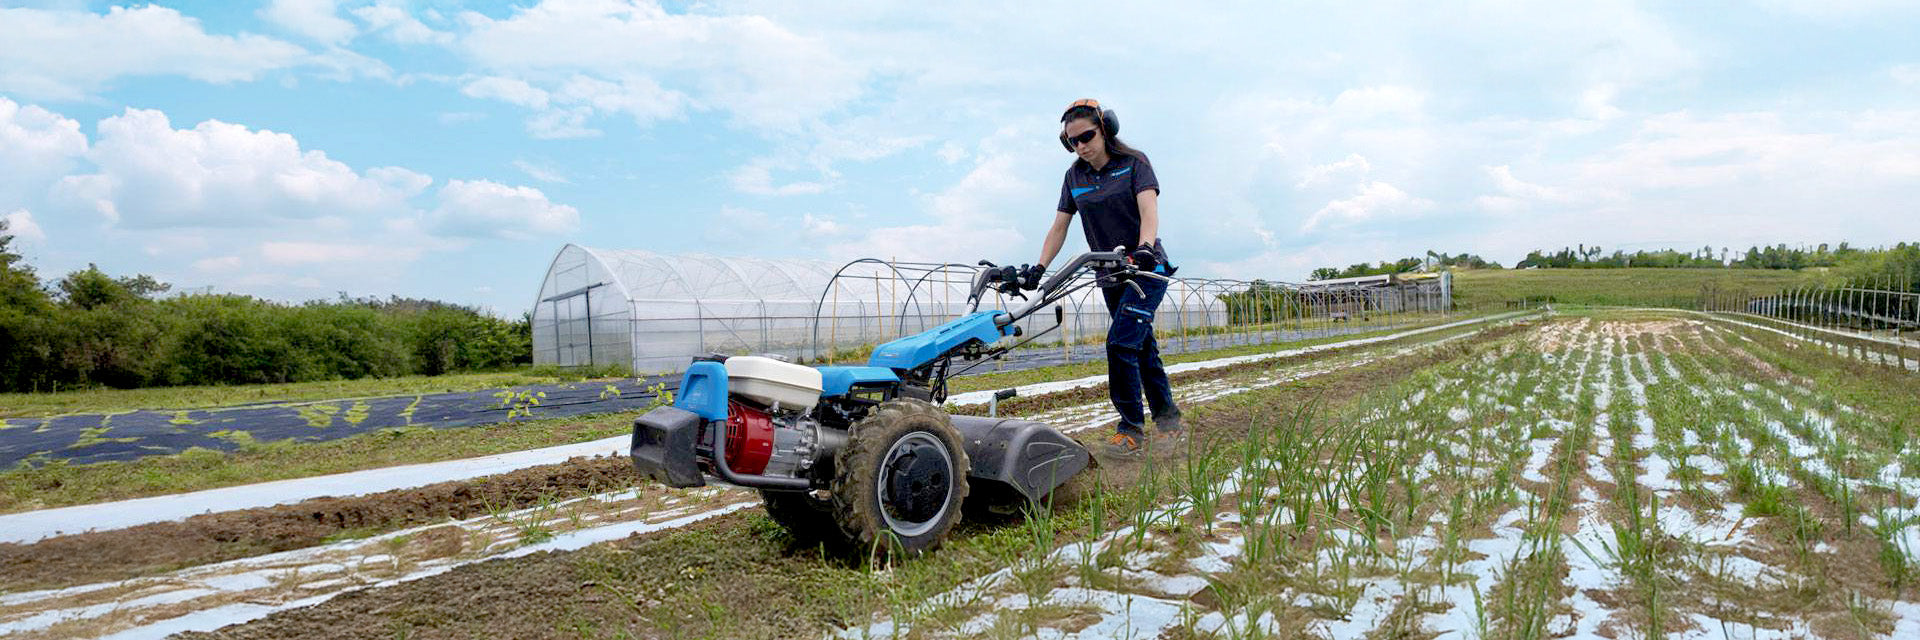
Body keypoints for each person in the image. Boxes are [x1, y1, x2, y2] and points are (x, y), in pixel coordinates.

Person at [1020, 98, 1180, 456]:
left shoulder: (1134, 163)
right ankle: (1169, 422)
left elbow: (1149, 210)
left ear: (1105, 129)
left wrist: (1145, 247)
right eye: (1072, 141)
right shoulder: (1074, 177)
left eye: (1086, 136)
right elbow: (1059, 226)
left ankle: (1130, 430)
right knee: (1142, 347)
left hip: (1145, 270)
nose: (1080, 145)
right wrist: (1039, 267)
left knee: (1120, 343)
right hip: (1109, 274)